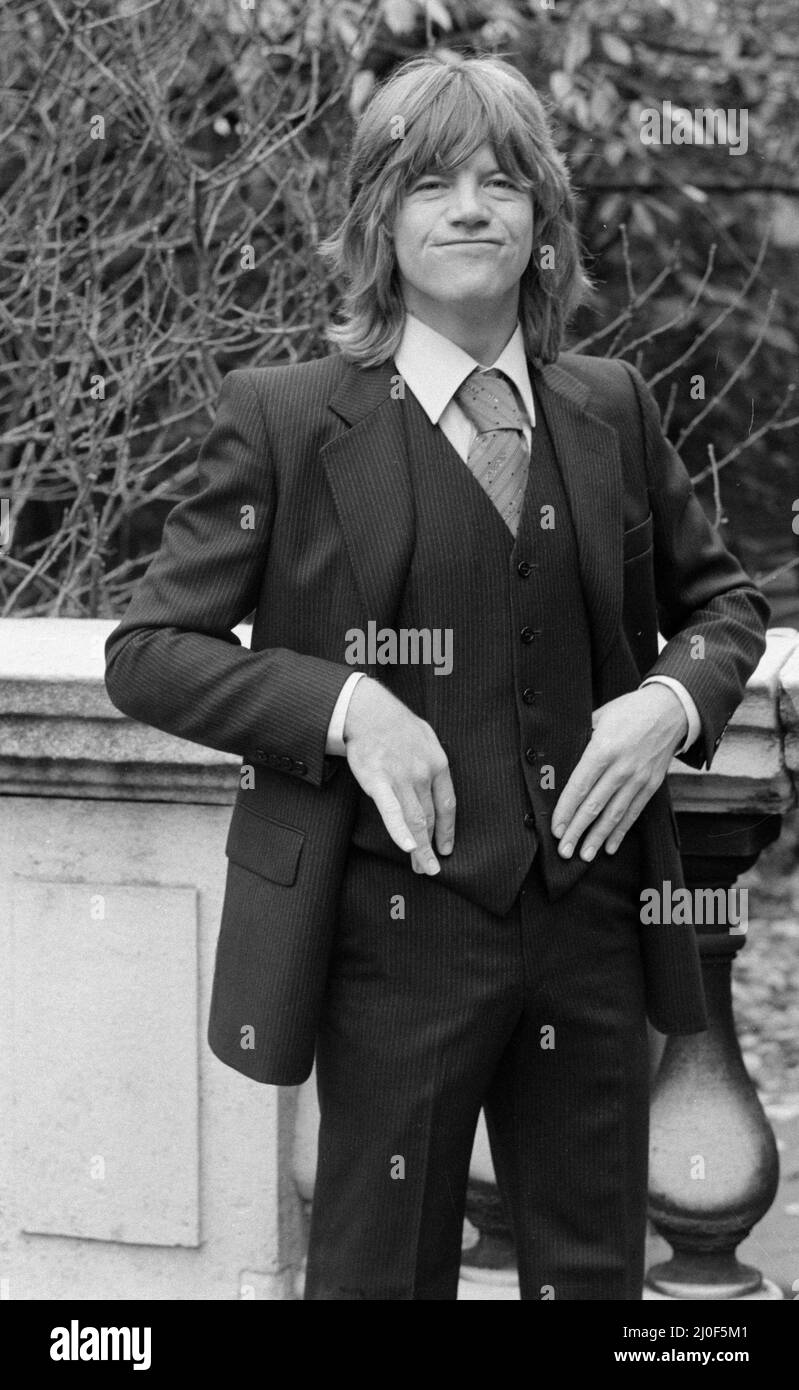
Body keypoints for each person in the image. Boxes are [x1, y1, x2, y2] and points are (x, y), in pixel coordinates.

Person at [104, 53, 769, 1300]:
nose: (471, 206)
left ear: (541, 224)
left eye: (502, 180)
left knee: (595, 1285)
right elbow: (147, 653)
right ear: (379, 223)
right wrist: (345, 708)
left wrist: (666, 703)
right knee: (376, 1281)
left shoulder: (608, 406)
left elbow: (723, 606)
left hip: (592, 925)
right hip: (387, 936)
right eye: (430, 183)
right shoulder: (287, 417)